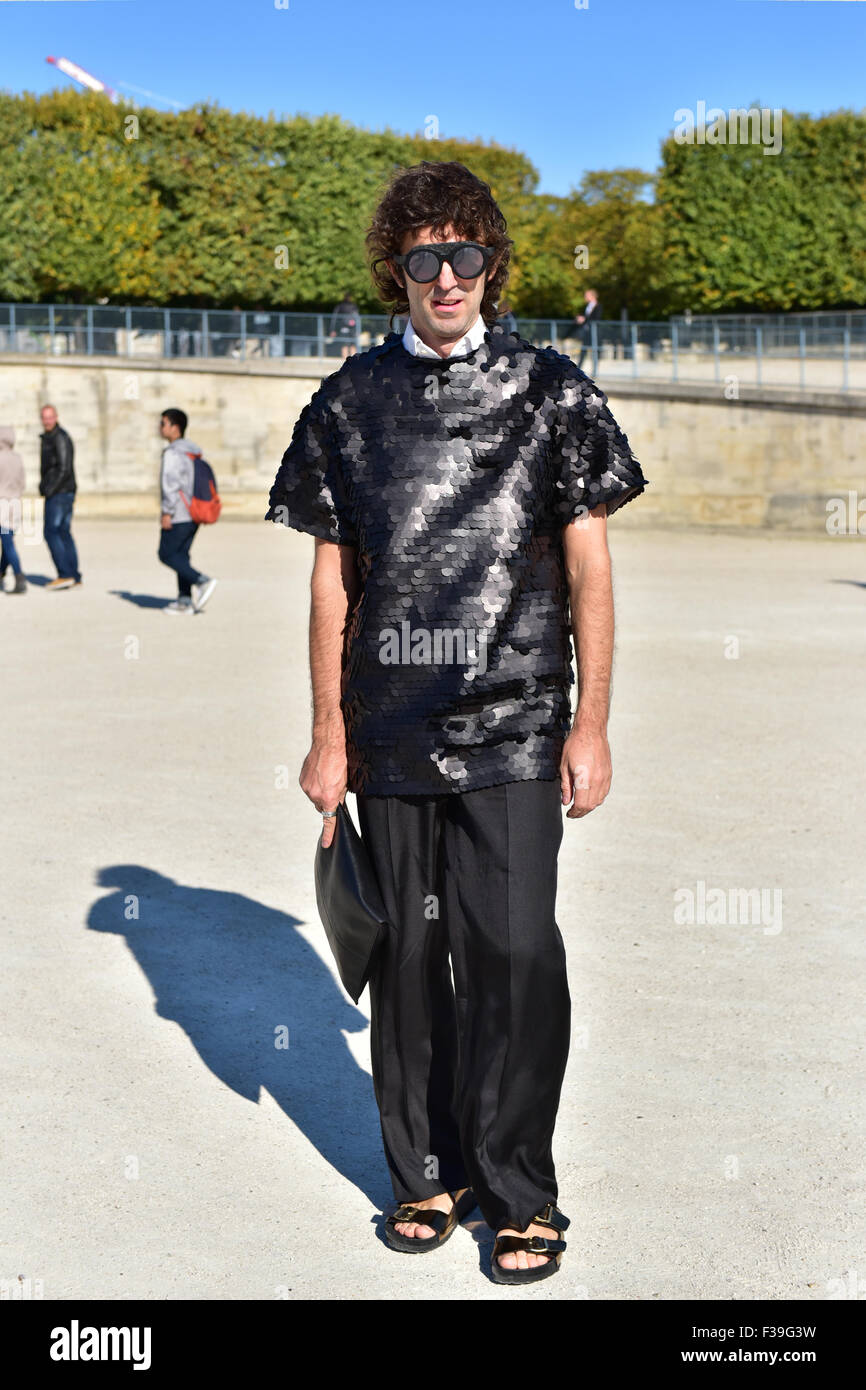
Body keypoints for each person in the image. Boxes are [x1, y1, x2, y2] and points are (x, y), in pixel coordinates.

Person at [266, 160, 649, 1286]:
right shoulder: (344, 402)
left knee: (517, 953)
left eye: (466, 253)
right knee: (408, 959)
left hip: (520, 721)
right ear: (397, 268)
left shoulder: (553, 391)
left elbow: (590, 570)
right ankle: (425, 1170)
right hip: (387, 731)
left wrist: (592, 722)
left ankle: (517, 1185)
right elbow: (332, 583)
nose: (446, 275)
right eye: (424, 255)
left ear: (492, 262)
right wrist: (327, 733)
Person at [158, 409, 217, 615]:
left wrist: (167, 512)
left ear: (175, 427)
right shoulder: (192, 452)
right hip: (194, 512)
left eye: (163, 423)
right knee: (181, 556)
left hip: (179, 514)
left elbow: (170, 485)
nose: (160, 427)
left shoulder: (173, 453)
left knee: (166, 554)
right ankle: (184, 601)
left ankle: (202, 581)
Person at [39, 404, 81, 590]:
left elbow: (64, 468)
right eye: (44, 417)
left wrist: (50, 489)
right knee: (64, 533)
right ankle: (74, 575)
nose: (47, 421)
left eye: (50, 417)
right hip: (63, 491)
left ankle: (65, 574)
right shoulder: (50, 437)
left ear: (56, 417)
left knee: (51, 532)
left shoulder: (60, 438)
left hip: (60, 493)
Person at [0, 425, 27, 594]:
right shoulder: (17, 458)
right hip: (15, 504)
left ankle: (19, 576)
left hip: (2, 505)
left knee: (8, 544)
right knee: (6, 542)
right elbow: (23, 484)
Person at [575, 288, 602, 369]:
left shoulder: (598, 306)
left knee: (595, 352)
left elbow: (596, 318)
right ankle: (578, 369)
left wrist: (584, 319)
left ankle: (595, 370)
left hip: (594, 332)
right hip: (587, 332)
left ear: (592, 296)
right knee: (583, 351)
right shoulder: (587, 306)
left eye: (586, 295)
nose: (585, 297)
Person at [328, 293, 360, 358]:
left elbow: (357, 318)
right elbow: (335, 318)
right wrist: (333, 330)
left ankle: (354, 361)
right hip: (343, 328)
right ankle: (345, 361)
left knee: (352, 345)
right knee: (344, 345)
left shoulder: (353, 306)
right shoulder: (340, 306)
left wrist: (357, 330)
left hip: (352, 328)